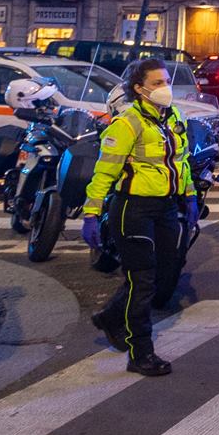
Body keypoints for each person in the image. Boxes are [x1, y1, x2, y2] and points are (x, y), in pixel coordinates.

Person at [82, 58, 196, 377]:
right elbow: (104, 172)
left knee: (162, 271)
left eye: (166, 81)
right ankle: (140, 352)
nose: (165, 88)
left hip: (166, 207)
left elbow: (180, 160)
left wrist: (189, 195)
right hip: (133, 209)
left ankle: (110, 317)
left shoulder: (173, 117)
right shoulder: (127, 122)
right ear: (139, 89)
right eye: (157, 83)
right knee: (142, 280)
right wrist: (91, 214)